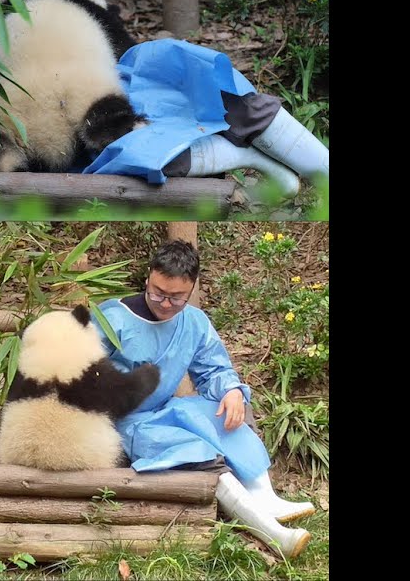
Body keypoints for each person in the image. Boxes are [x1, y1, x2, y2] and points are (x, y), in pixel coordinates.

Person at [95, 240, 316, 560]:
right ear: (148, 278)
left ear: (192, 288)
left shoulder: (194, 321)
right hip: (125, 421)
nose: (166, 303)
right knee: (195, 451)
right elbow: (77, 369)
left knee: (232, 406)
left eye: (177, 297)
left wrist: (230, 390)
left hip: (165, 408)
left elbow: (214, 369)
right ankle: (272, 533)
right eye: (159, 292)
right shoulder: (111, 316)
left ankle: (263, 495)